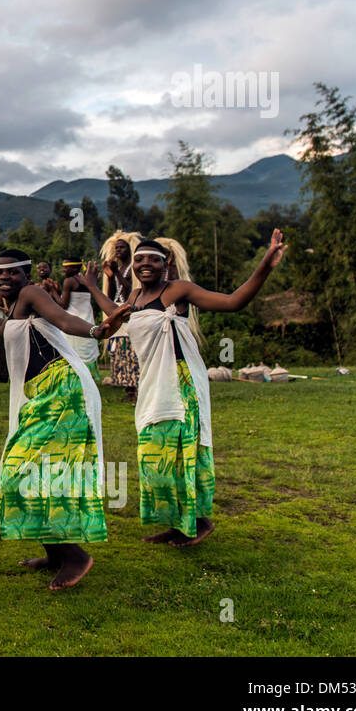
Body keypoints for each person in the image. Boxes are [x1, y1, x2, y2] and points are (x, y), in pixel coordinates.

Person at [0, 252, 129, 589]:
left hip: (62, 391)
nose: (4, 278)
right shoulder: (15, 304)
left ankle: (75, 555)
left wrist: (96, 329)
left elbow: (62, 319)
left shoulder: (32, 294)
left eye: (12, 273)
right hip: (40, 394)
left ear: (26, 274)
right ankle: (55, 553)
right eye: (0, 273)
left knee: (32, 471)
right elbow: (3, 329)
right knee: (28, 472)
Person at [124, 232, 287, 547]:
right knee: (155, 456)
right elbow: (110, 314)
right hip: (151, 384)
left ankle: (198, 522)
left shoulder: (178, 291)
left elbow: (233, 301)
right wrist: (90, 285)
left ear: (166, 263)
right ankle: (177, 523)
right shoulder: (132, 298)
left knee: (183, 452)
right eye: (139, 259)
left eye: (153, 259)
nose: (145, 264)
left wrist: (266, 263)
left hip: (180, 383)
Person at [100, 230, 142, 402]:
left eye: (122, 247)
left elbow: (131, 290)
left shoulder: (133, 268)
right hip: (116, 309)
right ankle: (128, 388)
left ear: (129, 250)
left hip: (129, 310)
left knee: (132, 351)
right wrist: (110, 277)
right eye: (116, 247)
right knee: (119, 350)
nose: (118, 250)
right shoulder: (116, 268)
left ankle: (137, 388)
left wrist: (117, 273)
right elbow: (110, 296)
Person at [55, 260, 102, 382]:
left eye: (67, 268)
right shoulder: (86, 280)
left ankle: (73, 376)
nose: (64, 270)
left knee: (71, 348)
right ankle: (89, 376)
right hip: (87, 317)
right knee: (85, 345)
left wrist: (52, 292)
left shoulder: (69, 281)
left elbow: (63, 304)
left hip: (73, 319)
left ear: (75, 268)